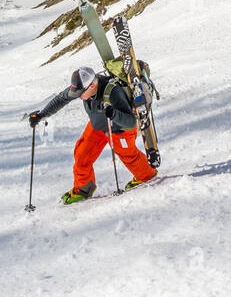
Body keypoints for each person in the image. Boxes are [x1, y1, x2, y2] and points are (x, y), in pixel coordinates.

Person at [28, 65, 157, 204]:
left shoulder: (113, 92)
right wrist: (42, 115)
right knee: (82, 153)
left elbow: (130, 122)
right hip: (98, 124)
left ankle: (146, 176)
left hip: (120, 128)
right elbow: (61, 99)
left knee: (128, 155)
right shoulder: (81, 88)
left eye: (80, 93)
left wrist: (114, 114)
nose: (78, 97)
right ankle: (83, 189)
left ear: (91, 86)